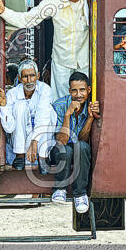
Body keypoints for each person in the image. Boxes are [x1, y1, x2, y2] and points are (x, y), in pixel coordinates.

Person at [0, 0, 90, 98]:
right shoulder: (54, 3)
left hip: (85, 61)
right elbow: (27, 20)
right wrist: (3, 11)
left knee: (86, 97)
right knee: (60, 100)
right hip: (62, 62)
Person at [49, 71, 100, 213]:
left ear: (88, 90)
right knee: (66, 150)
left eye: (82, 90)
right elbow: (61, 140)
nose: (79, 94)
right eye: (75, 91)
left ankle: (80, 194)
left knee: (82, 147)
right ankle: (60, 188)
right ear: (69, 91)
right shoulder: (59, 105)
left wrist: (90, 118)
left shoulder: (89, 105)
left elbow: (82, 139)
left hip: (77, 148)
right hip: (59, 149)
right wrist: (68, 114)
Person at [0, 59, 56, 171]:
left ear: (38, 75)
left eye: (32, 75)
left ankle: (43, 157)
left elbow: (43, 117)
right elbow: (9, 128)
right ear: (20, 78)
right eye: (25, 77)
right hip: (19, 140)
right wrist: (4, 105)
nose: (29, 80)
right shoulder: (12, 94)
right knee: (20, 106)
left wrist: (34, 141)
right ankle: (19, 155)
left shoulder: (45, 90)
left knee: (49, 113)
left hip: (41, 140)